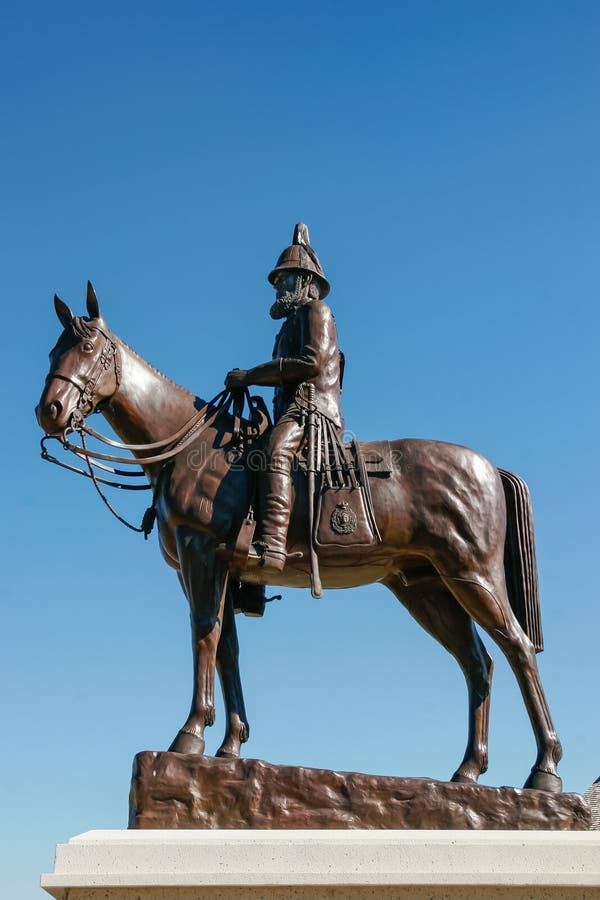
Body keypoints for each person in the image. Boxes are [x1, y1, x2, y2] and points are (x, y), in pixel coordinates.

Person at [225, 223, 343, 577]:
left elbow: (311, 362)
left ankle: (273, 546)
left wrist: (250, 376)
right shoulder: (289, 324)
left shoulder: (316, 312)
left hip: (312, 412)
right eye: (278, 280)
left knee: (276, 450)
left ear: (305, 281)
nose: (279, 285)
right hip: (288, 411)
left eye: (286, 279)